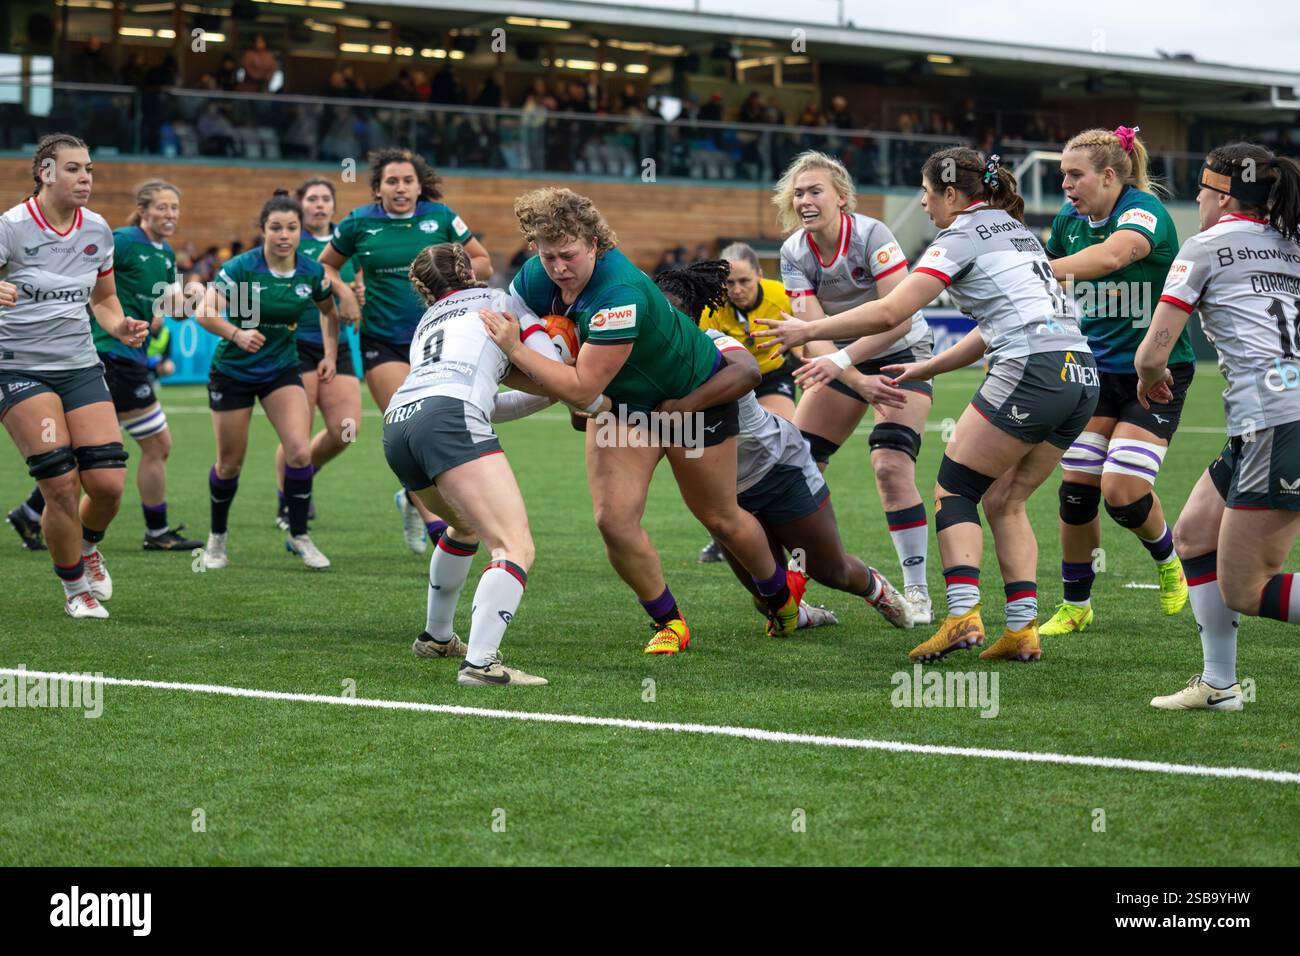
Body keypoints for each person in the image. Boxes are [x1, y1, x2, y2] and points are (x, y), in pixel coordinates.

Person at [757, 148, 1100, 663]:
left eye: (927, 191)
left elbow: (894, 310)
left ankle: (961, 616)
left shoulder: (958, 237)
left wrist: (811, 329)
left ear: (952, 195)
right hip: (1080, 372)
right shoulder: (1015, 230)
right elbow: (993, 326)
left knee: (954, 489)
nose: (922, 202)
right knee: (1006, 500)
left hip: (1031, 369)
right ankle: (1022, 629)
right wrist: (929, 367)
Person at [482, 187, 807, 654]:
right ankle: (670, 622)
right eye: (547, 255)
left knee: (719, 516)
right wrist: (524, 354)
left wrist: (516, 352)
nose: (557, 268)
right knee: (613, 521)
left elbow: (578, 388)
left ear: (596, 244)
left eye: (568, 255)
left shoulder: (619, 294)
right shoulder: (535, 276)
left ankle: (780, 598)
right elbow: (545, 362)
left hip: (691, 398)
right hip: (625, 409)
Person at [655, 260, 914, 631]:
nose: (664, 325)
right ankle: (805, 614)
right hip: (723, 494)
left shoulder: (713, 343)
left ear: (693, 317)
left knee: (830, 570)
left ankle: (875, 588)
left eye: (674, 315)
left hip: (776, 468)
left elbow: (748, 372)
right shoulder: (642, 360)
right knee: (768, 598)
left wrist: (680, 408)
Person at [1136, 143, 1300, 712]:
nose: (1198, 201)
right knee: (1193, 536)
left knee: (1248, 589)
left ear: (1224, 196)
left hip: (1278, 421)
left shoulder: (1204, 246)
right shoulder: (1293, 244)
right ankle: (1219, 684)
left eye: (1203, 192)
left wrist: (1147, 381)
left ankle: (1220, 683)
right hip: (1268, 419)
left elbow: (1153, 351)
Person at [386, 243, 576, 685]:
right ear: (471, 270)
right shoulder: (499, 301)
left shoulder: (426, 323)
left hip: (398, 422)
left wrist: (549, 393)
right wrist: (565, 366)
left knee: (465, 527)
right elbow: (551, 364)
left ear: (423, 290)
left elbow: (487, 401)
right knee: (514, 546)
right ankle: (481, 663)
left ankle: (436, 637)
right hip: (449, 418)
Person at [1040, 126, 1193, 637]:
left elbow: (1111, 258)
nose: (1065, 184)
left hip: (1158, 371)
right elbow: (1057, 293)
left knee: (1124, 493)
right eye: (1062, 174)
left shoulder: (1143, 210)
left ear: (1109, 175)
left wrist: (1030, 270)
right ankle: (1076, 605)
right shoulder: (1068, 221)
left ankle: (1170, 562)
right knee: (1076, 492)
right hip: (1095, 372)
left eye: (1075, 174)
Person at [773, 150, 935, 622]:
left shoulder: (872, 234)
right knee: (797, 470)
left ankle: (917, 592)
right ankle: (795, 592)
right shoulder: (793, 252)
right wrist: (854, 378)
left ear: (841, 198)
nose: (804, 199)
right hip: (844, 364)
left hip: (901, 351)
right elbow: (812, 332)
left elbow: (898, 317)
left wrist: (852, 366)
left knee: (889, 467)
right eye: (798, 192)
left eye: (814, 190)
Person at [0, 133, 149, 617]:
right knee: (61, 483)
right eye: (73, 169)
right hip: (19, 368)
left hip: (81, 366)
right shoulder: (11, 228)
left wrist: (120, 325)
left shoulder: (98, 230)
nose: (85, 177)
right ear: (45, 172)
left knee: (106, 484)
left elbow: (103, 300)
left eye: (89, 169)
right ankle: (73, 589)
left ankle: (87, 546)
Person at [7, 182, 197, 551]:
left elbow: (169, 307)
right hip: (109, 353)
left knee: (90, 452)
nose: (170, 214)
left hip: (129, 355)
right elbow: (92, 284)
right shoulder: (122, 240)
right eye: (162, 207)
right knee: (155, 443)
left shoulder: (167, 253)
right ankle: (154, 532)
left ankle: (31, 513)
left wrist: (190, 297)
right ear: (143, 210)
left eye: (175, 208)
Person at [319, 148, 490, 555]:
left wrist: (456, 276)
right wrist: (343, 289)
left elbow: (481, 261)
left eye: (407, 181)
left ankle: (412, 497)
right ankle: (438, 531)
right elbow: (325, 266)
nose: (400, 188)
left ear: (418, 185)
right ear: (378, 188)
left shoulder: (442, 217)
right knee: (409, 427)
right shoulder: (358, 223)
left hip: (439, 341)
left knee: (432, 428)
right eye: (391, 181)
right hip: (383, 340)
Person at [195, 190, 340, 571]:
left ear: (299, 231)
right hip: (233, 372)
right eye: (275, 228)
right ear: (263, 231)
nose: (284, 235)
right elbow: (204, 313)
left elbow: (329, 312)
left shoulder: (311, 272)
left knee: (299, 452)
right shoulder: (242, 268)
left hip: (281, 368)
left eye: (291, 227)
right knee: (229, 464)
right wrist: (236, 334)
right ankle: (217, 539)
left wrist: (329, 354)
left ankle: (299, 535)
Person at [693, 242, 800, 563]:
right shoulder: (710, 308)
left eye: (744, 282)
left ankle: (790, 532)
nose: (736, 290)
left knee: (778, 441)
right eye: (728, 283)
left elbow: (807, 336)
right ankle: (725, 535)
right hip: (728, 383)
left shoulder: (781, 296)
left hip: (771, 376)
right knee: (729, 460)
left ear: (759, 275)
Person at [271, 177, 362, 531]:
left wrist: (358, 292)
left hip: (334, 344)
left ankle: (306, 470)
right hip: (293, 343)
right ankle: (288, 501)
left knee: (346, 429)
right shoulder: (289, 238)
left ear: (334, 206)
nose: (319, 205)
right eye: (312, 199)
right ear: (300, 205)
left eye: (326, 199)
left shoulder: (347, 241)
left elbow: (355, 280)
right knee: (298, 431)